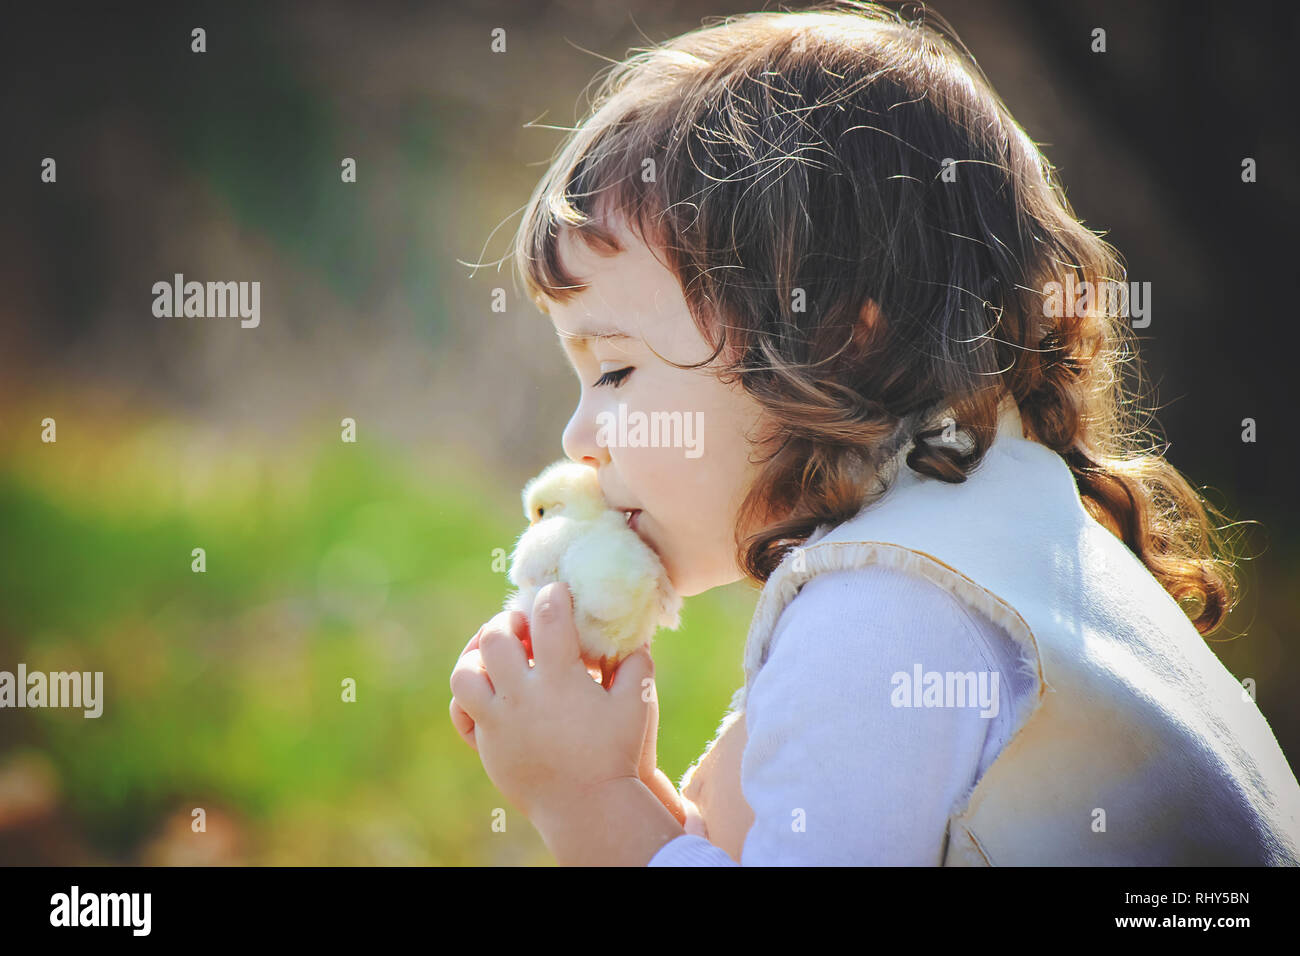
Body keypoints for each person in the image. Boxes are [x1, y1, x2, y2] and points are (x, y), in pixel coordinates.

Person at [449, 1, 1300, 865]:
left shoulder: (880, 617)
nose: (577, 438)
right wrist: (634, 790)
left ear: (834, 338)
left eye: (618, 372)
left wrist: (586, 801)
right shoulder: (994, 530)